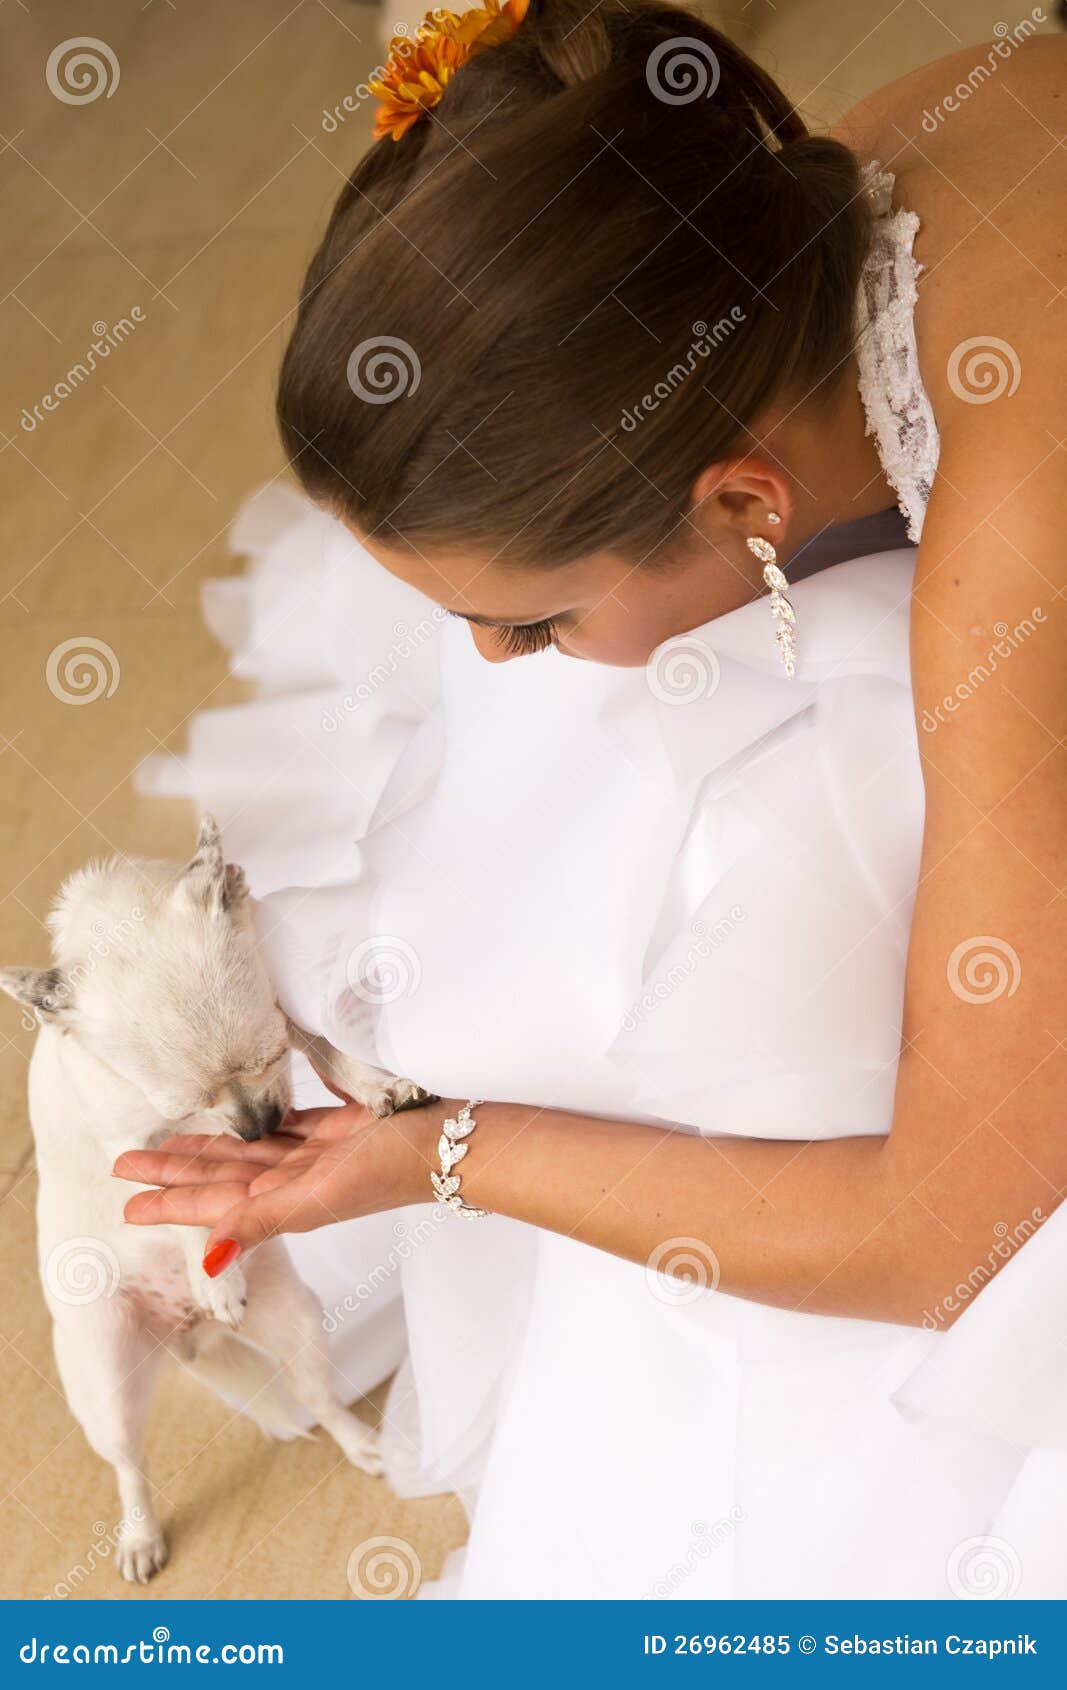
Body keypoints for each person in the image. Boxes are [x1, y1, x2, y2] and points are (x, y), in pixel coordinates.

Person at [118, 1, 1066, 1597]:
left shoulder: (1018, 555)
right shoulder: (797, 197)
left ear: (746, 496)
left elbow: (949, 1235)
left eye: (533, 619)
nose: (491, 660)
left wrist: (447, 1152)